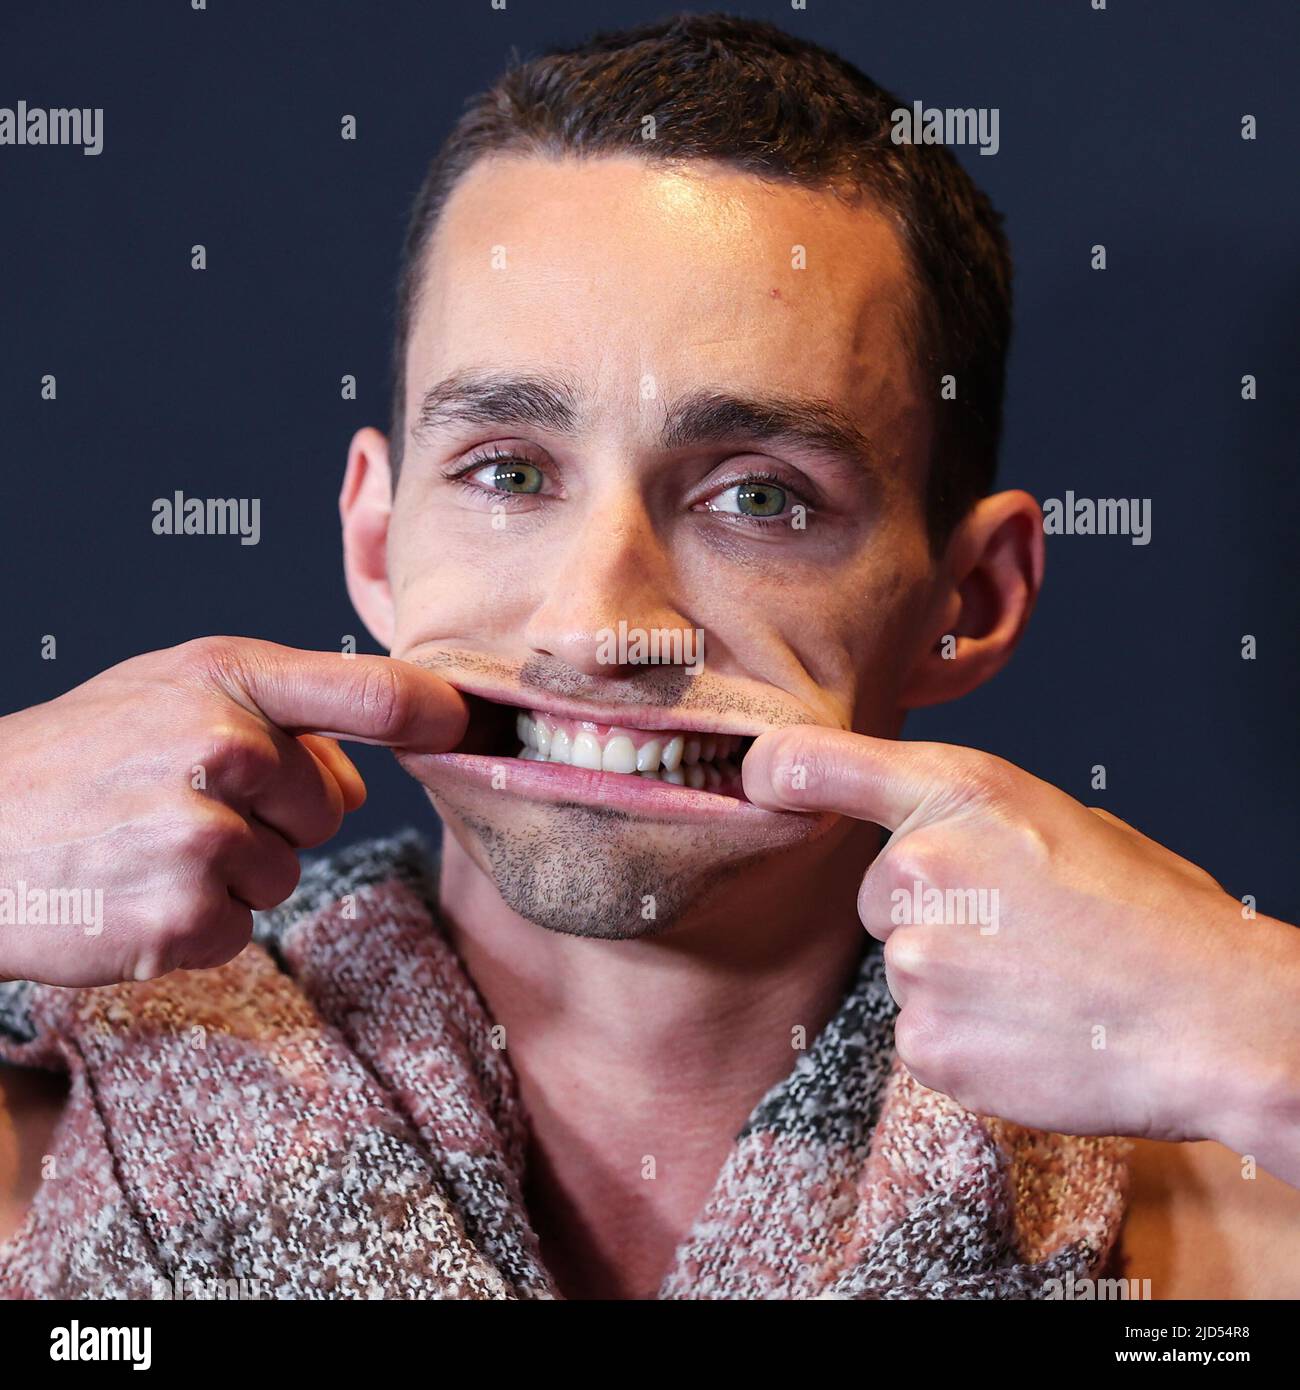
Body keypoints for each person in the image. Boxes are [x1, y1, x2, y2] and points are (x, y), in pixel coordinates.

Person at [1, 14, 1296, 1301]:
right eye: (509, 471)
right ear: (379, 544)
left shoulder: (1227, 1209)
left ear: (970, 597)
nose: (596, 626)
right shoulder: (50, 1138)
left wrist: (1263, 1021)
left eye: (761, 498)